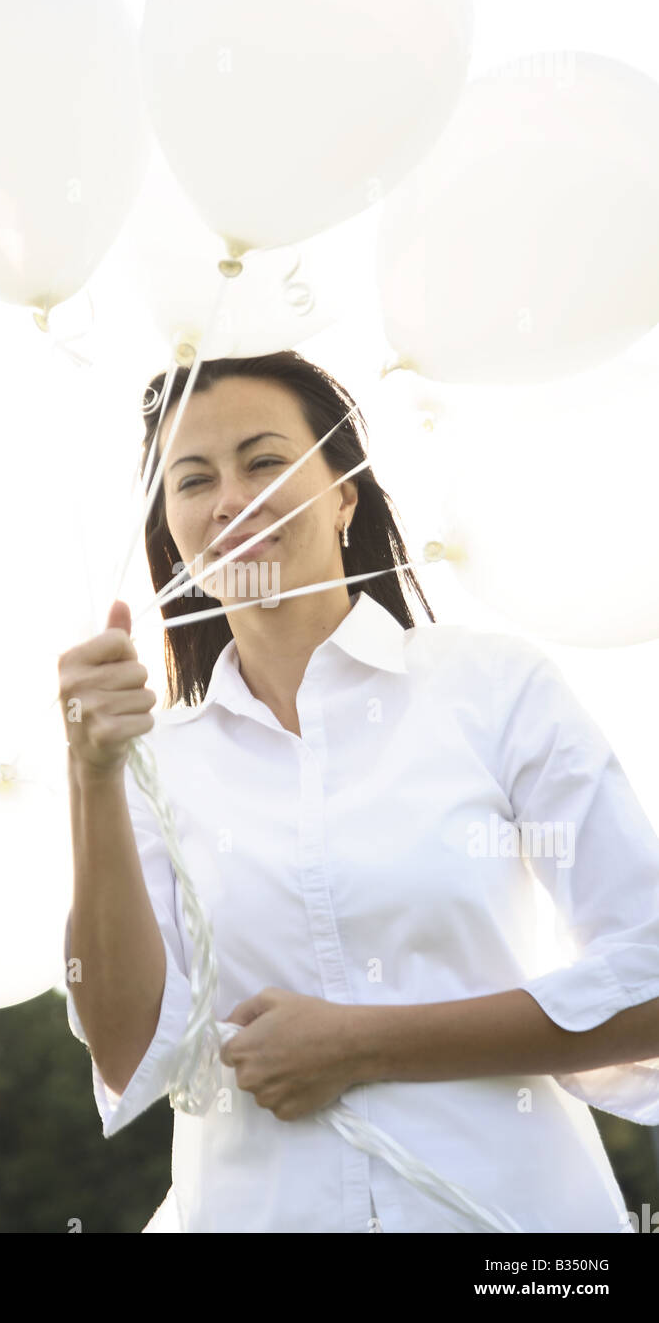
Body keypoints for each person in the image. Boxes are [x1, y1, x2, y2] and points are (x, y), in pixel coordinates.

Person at [59, 350, 659, 1233]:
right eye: (193, 480)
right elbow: (129, 1048)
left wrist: (358, 1042)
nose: (230, 499)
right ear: (171, 529)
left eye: (265, 461)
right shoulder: (155, 765)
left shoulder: (492, 688)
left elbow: (647, 984)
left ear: (345, 495)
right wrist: (92, 777)